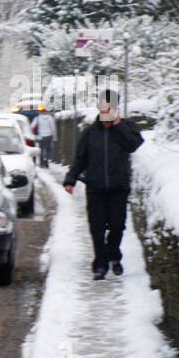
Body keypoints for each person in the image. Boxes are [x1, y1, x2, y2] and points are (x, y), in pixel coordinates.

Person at [63, 90, 144, 280]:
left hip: (119, 188)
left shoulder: (127, 128)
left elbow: (134, 145)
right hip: (95, 188)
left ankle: (113, 254)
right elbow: (80, 159)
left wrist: (118, 127)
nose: (106, 110)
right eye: (103, 106)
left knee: (117, 226)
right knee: (96, 228)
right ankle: (100, 263)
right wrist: (70, 179)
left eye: (110, 107)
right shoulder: (90, 133)